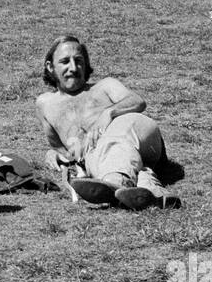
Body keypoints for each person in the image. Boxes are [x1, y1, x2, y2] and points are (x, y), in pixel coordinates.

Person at [37, 35, 181, 210]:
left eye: (79, 60)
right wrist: (52, 154)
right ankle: (152, 193)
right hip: (97, 156)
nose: (73, 68)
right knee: (107, 157)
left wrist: (109, 112)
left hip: (136, 134)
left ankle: (116, 182)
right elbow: (63, 150)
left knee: (117, 136)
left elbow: (137, 101)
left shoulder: (105, 85)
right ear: (50, 66)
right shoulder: (45, 104)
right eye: (65, 61)